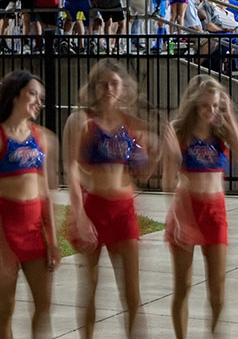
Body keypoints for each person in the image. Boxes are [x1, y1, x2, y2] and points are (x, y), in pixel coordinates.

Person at [62, 60, 151, 339]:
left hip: (123, 210)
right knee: (89, 286)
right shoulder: (80, 120)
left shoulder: (131, 125)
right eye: (103, 83)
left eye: (115, 83)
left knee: (132, 292)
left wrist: (162, 152)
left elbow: (143, 174)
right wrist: (80, 216)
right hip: (93, 206)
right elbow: (71, 170)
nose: (109, 89)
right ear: (93, 87)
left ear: (123, 88)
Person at [162, 75, 238, 339]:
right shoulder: (179, 130)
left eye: (214, 105)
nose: (209, 111)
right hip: (186, 208)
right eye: (204, 105)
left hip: (215, 210)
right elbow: (168, 180)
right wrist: (177, 218)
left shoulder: (221, 129)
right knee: (183, 286)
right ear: (192, 105)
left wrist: (230, 115)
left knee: (217, 289)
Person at [0, 70, 60, 339]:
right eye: (33, 94)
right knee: (6, 306)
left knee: (44, 304)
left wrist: (53, 241)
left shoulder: (41, 137)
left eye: (41, 97)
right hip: (5, 232)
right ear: (15, 95)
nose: (38, 101)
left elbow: (46, 193)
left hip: (34, 232)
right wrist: (2, 247)